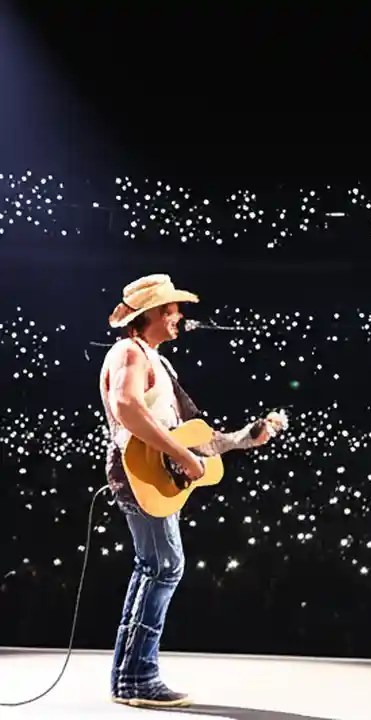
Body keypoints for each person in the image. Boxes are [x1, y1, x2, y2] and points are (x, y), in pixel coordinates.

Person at [100, 274, 283, 708]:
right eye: (172, 309)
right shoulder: (128, 350)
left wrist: (241, 438)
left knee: (153, 566)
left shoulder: (156, 361)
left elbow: (190, 435)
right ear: (153, 315)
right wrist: (180, 455)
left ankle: (131, 676)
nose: (180, 316)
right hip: (137, 471)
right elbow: (126, 408)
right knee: (164, 566)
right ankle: (137, 677)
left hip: (150, 472)